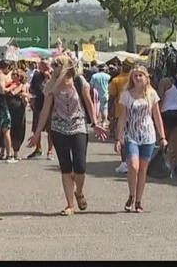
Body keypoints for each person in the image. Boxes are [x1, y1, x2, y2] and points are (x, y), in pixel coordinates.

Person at [27, 55, 107, 216]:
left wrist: (95, 123)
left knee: (80, 167)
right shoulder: (51, 85)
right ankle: (70, 204)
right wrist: (37, 133)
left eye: (57, 64)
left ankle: (79, 192)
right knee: (65, 168)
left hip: (78, 127)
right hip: (58, 128)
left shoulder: (79, 82)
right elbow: (45, 110)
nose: (54, 67)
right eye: (53, 64)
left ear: (67, 66)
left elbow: (89, 103)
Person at [115, 65, 168, 213]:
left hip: (147, 135)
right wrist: (118, 138)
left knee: (143, 169)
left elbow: (157, 116)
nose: (138, 78)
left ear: (146, 78)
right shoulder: (126, 95)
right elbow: (122, 117)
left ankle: (138, 201)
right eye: (135, 75)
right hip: (131, 134)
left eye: (141, 75)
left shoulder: (151, 94)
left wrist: (162, 137)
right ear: (131, 78)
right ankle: (131, 195)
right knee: (133, 166)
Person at [109, 57, 134, 174]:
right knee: (133, 138)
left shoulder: (116, 80)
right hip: (135, 113)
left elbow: (112, 97)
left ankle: (124, 163)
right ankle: (132, 161)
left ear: (123, 66)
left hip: (120, 113)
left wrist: (109, 112)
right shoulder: (136, 79)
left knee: (122, 138)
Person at [27, 60, 54, 160]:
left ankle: (50, 151)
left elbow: (55, 88)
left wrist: (48, 77)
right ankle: (38, 148)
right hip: (39, 104)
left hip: (51, 105)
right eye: (42, 65)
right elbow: (32, 88)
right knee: (36, 128)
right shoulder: (37, 75)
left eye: (46, 65)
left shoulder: (53, 74)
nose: (44, 67)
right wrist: (32, 98)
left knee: (50, 129)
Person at [6, 69, 29, 161]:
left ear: (20, 76)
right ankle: (6, 151)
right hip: (9, 109)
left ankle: (16, 152)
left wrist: (24, 97)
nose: (14, 76)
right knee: (7, 130)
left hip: (19, 110)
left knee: (18, 130)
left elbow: (26, 99)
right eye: (13, 74)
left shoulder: (23, 86)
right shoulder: (8, 85)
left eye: (17, 74)